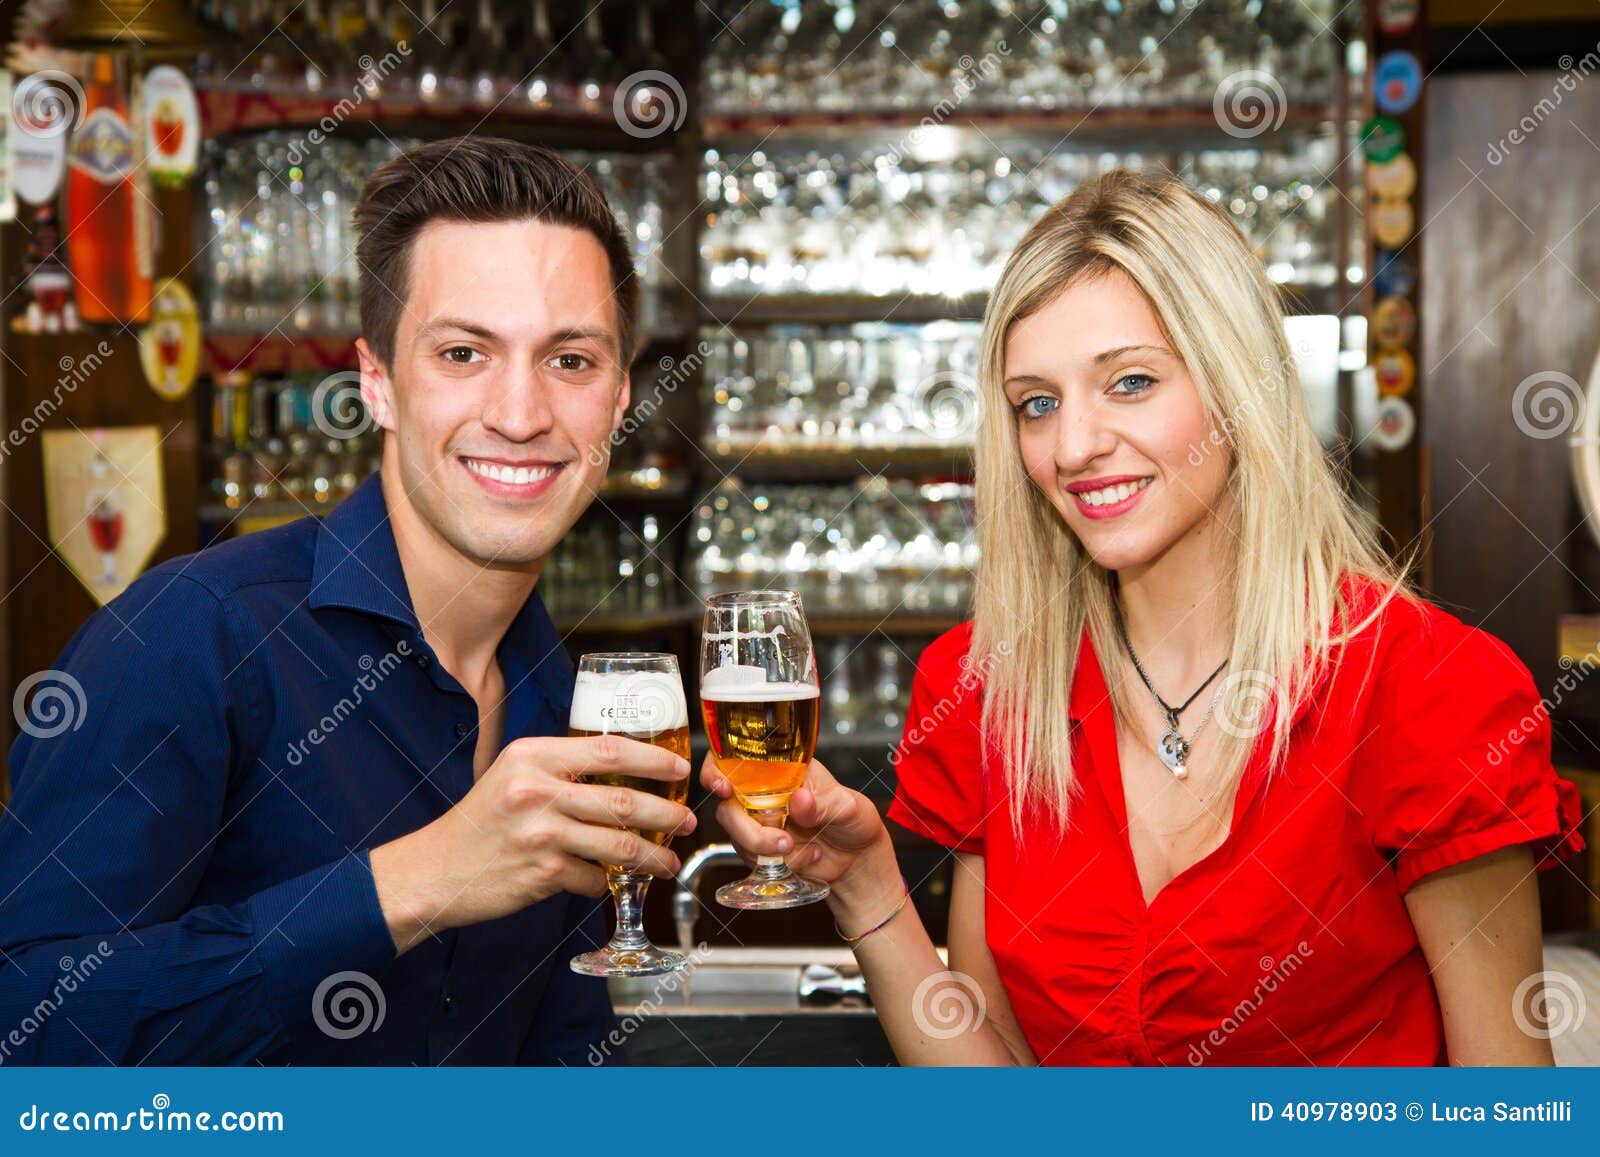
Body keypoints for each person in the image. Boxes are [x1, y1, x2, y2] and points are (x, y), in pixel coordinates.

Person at [705, 169, 1587, 1066]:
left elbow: (1506, 1107)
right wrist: (866, 888)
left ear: (1238, 387)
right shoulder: (989, 684)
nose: (1074, 446)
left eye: (1129, 381)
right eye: (1037, 403)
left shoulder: (1428, 688)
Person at [0, 138, 697, 1065]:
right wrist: (410, 884)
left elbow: (557, 1059)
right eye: (463, 353)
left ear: (618, 399)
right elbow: (26, 1027)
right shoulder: (188, 635)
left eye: (570, 360)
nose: (521, 413)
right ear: (378, 383)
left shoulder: (560, 695)